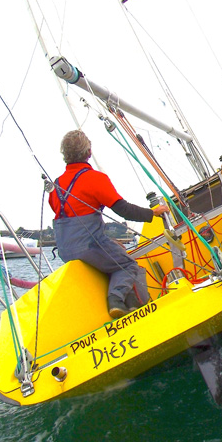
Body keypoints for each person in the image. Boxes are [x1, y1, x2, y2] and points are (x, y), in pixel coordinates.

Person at [49, 130, 170, 319]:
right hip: (89, 246)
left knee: (115, 252)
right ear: (88, 152)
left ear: (65, 155)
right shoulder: (95, 179)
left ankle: (124, 304)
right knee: (128, 265)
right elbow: (123, 210)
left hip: (66, 250)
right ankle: (116, 301)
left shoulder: (55, 187)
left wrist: (110, 242)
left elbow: (72, 217)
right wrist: (152, 213)